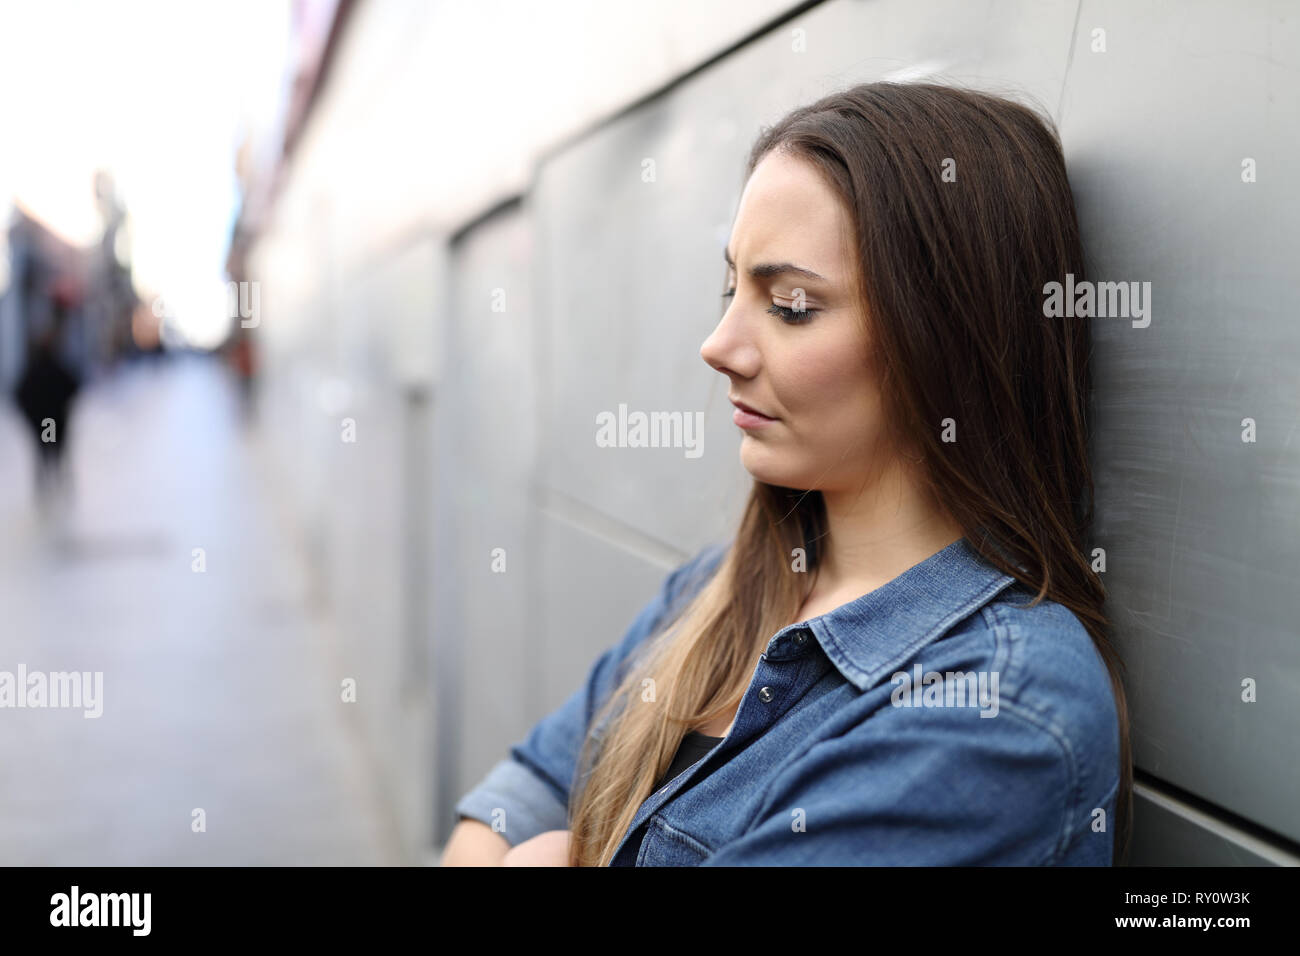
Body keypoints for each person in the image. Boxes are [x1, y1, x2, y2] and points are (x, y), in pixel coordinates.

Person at [443, 81, 1130, 867]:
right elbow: (513, 797)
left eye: (792, 304)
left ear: (946, 337)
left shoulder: (998, 707)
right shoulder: (717, 589)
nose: (718, 345)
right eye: (732, 286)